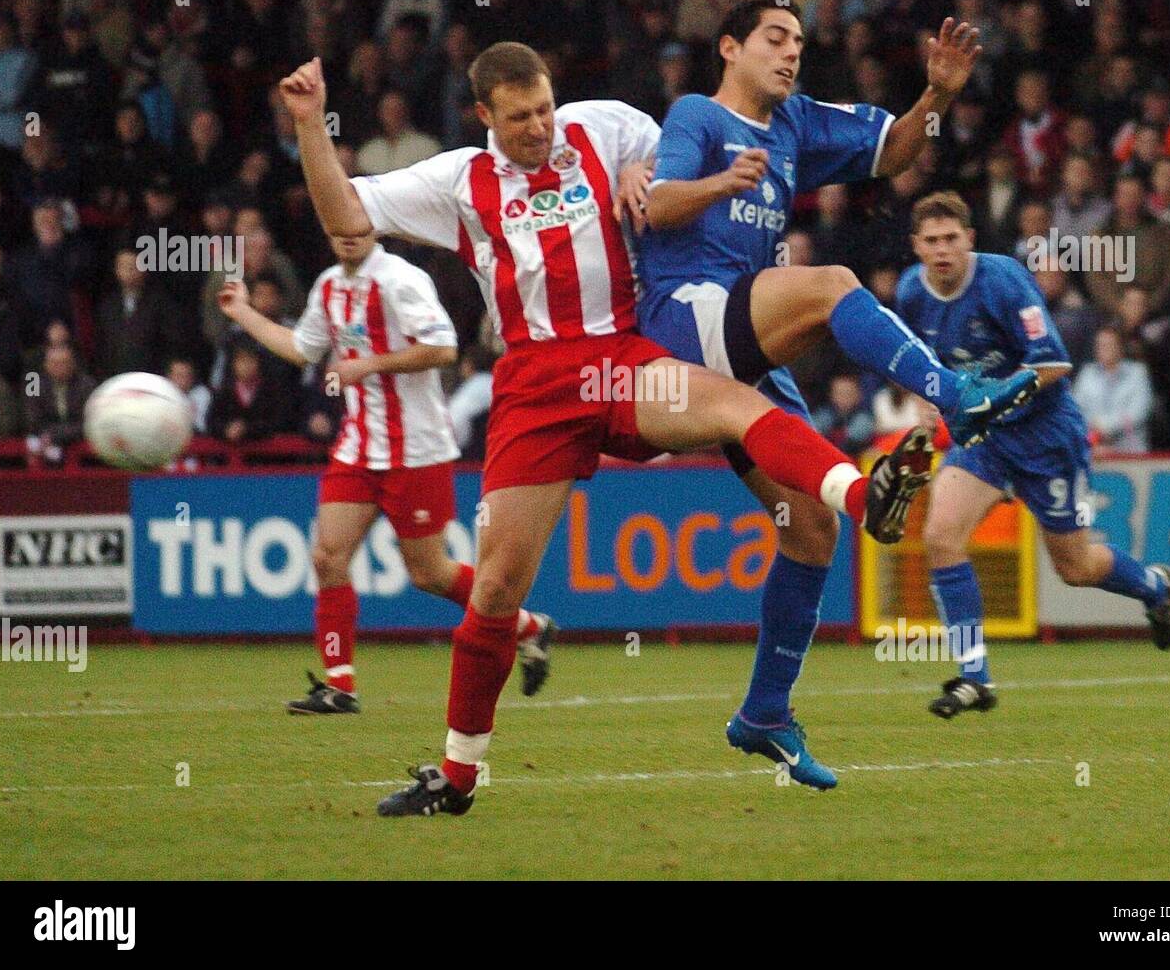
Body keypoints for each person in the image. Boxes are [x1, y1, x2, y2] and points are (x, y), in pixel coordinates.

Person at [276, 42, 925, 817]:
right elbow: (346, 211)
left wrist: (639, 175)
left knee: (737, 407)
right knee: (493, 589)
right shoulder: (456, 181)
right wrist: (311, 123)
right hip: (536, 389)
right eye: (519, 118)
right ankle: (456, 776)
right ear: (485, 115)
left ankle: (864, 498)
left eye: (545, 108)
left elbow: (677, 169)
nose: (539, 127)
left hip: (621, 360)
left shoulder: (602, 126)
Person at [636, 0, 1038, 781]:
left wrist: (938, 99)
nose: (791, 55)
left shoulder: (795, 123)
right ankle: (956, 395)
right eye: (774, 40)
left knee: (811, 530)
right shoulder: (695, 116)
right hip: (684, 321)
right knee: (830, 286)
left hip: (743, 346)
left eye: (799, 44)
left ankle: (764, 714)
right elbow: (656, 206)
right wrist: (724, 181)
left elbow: (890, 153)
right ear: (730, 48)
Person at [219, 230, 555, 713]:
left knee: (428, 572)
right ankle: (340, 686)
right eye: (339, 227)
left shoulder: (402, 280)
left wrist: (365, 366)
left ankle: (528, 626)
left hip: (416, 450)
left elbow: (442, 349)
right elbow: (303, 349)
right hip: (358, 447)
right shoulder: (329, 286)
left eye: (360, 226)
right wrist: (244, 313)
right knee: (327, 558)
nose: (350, 235)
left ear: (373, 228)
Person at [895, 192, 1170, 718]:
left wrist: (991, 400)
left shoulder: (1002, 281)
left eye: (951, 239)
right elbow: (919, 363)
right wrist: (924, 405)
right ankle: (974, 677)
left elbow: (1054, 363)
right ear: (916, 246)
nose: (942, 251)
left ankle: (1154, 588)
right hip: (986, 442)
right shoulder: (911, 293)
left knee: (1074, 566)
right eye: (931, 241)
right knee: (940, 536)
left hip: (1047, 435)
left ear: (970, 240)